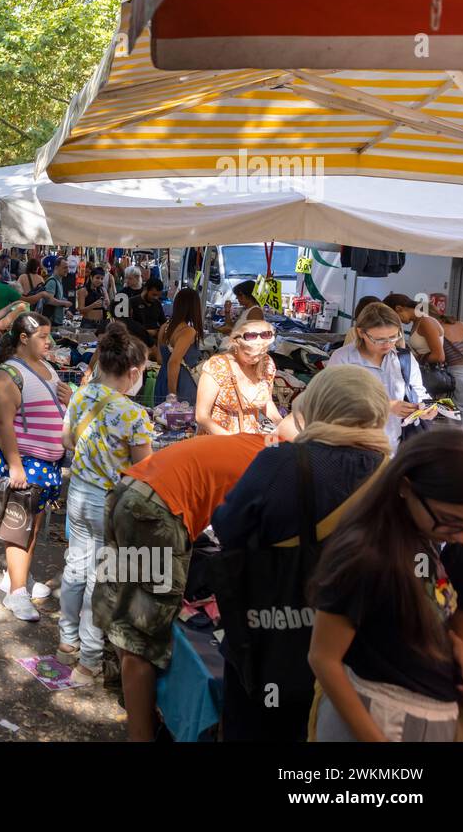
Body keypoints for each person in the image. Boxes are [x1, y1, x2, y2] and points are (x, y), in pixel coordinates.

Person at [210, 366, 390, 741]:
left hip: (272, 628)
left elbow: (228, 527)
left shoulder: (282, 462)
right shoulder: (392, 473)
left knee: (256, 725)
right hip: (354, 644)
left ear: (319, 404)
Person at [94, 428, 268, 740]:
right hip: (154, 511)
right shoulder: (282, 467)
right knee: (141, 640)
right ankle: (141, 733)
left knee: (124, 622)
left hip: (129, 493)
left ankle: (140, 716)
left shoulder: (261, 444)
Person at [307, 430, 463, 742]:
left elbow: (411, 614)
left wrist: (454, 643)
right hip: (382, 721)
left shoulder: (420, 538)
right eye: (451, 520)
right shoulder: (365, 555)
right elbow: (323, 658)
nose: (462, 538)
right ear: (404, 488)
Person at [59, 322, 153, 684]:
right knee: (101, 580)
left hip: (79, 493)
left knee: (76, 566)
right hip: (109, 503)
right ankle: (90, 659)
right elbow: (146, 469)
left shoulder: (81, 395)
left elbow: (67, 440)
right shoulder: (133, 415)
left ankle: (67, 641)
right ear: (132, 372)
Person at [0, 313, 70, 621]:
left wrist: (69, 397)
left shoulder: (47, 368)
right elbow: (3, 424)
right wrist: (15, 466)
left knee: (33, 525)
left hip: (48, 463)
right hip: (26, 462)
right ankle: (16, 593)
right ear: (24, 339)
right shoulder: (9, 374)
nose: (49, 342)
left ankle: (17, 578)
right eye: (42, 337)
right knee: (18, 528)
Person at [327, 302, 430, 452]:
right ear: (361, 332)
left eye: (394, 337)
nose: (388, 344)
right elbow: (331, 403)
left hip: (396, 447)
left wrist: (427, 409)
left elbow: (419, 392)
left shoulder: (404, 358)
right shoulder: (343, 358)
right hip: (353, 448)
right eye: (380, 339)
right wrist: (385, 406)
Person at [196, 307, 286, 436]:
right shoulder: (218, 366)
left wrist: (282, 424)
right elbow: (202, 416)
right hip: (217, 441)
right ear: (236, 344)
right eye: (249, 354)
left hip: (249, 439)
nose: (256, 358)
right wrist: (232, 441)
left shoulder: (267, 364)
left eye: (261, 353)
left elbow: (267, 402)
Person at [387, 292, 463, 423]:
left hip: (450, 380)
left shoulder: (425, 321)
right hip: (449, 379)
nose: (394, 321)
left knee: (454, 425)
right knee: (447, 423)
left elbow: (439, 355)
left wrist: (417, 360)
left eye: (393, 316)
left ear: (399, 308)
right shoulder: (420, 322)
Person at [154, 287, 203, 405]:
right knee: (181, 420)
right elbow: (173, 362)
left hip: (162, 379)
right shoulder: (188, 331)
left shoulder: (164, 327)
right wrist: (172, 396)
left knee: (161, 419)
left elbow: (160, 359)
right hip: (181, 385)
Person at [129, 277, 167, 343]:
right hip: (137, 342)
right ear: (146, 289)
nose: (156, 298)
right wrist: (147, 332)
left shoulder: (157, 304)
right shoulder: (131, 302)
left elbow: (164, 323)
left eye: (158, 295)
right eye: (154, 295)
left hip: (155, 341)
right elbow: (126, 326)